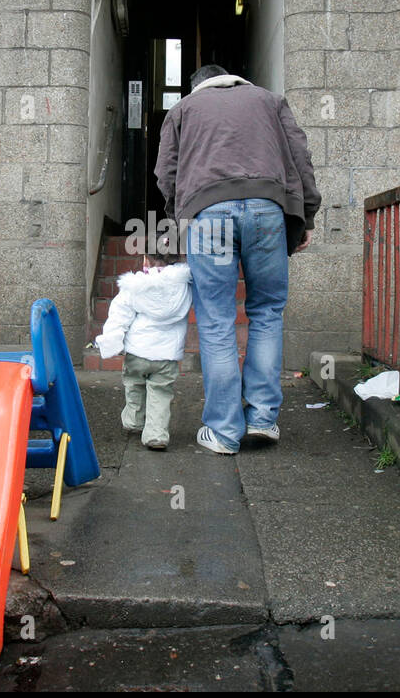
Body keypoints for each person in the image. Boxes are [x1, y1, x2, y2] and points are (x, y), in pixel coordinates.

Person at [155, 64, 320, 454]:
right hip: (268, 208)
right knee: (266, 311)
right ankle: (263, 419)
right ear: (234, 80)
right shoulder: (270, 101)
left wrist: (179, 215)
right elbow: (301, 157)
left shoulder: (182, 110)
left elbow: (166, 172)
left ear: (199, 88)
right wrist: (306, 215)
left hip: (207, 211)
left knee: (215, 319)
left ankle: (224, 432)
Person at [91, 245, 192, 451]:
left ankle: (134, 421)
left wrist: (111, 342)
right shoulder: (184, 287)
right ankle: (156, 434)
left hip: (137, 352)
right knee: (161, 392)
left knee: (134, 384)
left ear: (146, 261)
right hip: (166, 355)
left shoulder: (135, 287)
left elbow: (119, 316)